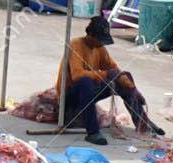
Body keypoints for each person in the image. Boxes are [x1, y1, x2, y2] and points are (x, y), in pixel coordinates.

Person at [55, 15, 164, 145]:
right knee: (85, 81)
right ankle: (93, 132)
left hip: (88, 90)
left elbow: (115, 71)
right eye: (99, 40)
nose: (101, 43)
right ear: (90, 35)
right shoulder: (76, 44)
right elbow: (77, 75)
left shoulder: (99, 48)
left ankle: (143, 123)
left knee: (124, 76)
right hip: (71, 96)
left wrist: (132, 89)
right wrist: (105, 74)